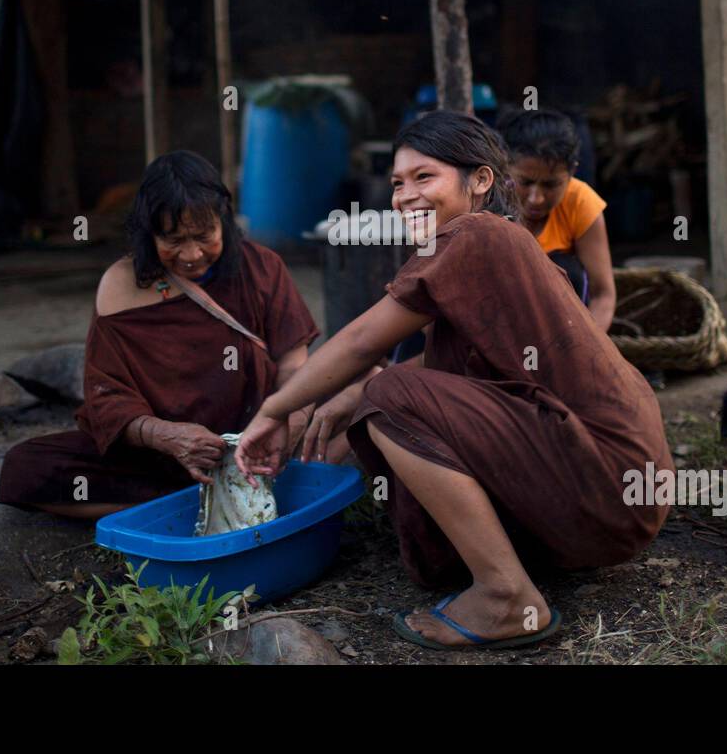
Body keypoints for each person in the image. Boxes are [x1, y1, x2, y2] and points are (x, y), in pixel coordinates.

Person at [236, 112, 671, 650]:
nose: (405, 196)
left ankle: (508, 595)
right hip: (620, 496)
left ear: (482, 180)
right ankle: (503, 562)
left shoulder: (476, 233)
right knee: (381, 391)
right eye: (397, 182)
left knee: (389, 399)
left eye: (425, 177)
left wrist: (273, 411)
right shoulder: (508, 246)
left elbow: (361, 342)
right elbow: (458, 364)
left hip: (605, 483)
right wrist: (345, 393)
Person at [0, 151, 318, 518]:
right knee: (25, 466)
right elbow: (107, 396)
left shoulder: (261, 268)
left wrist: (282, 422)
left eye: (204, 235)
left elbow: (293, 363)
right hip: (163, 457)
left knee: (353, 391)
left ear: (223, 221)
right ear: (148, 233)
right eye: (173, 240)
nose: (192, 254)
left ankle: (210, 498)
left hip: (255, 442)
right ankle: (201, 502)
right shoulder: (122, 286)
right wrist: (165, 436)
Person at [497, 107, 617, 332]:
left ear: (572, 173)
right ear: (505, 168)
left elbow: (603, 295)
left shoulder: (581, 202)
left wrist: (584, 348)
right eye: (525, 182)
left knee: (565, 269)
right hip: (498, 324)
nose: (536, 198)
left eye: (551, 185)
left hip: (560, 329)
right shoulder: (485, 203)